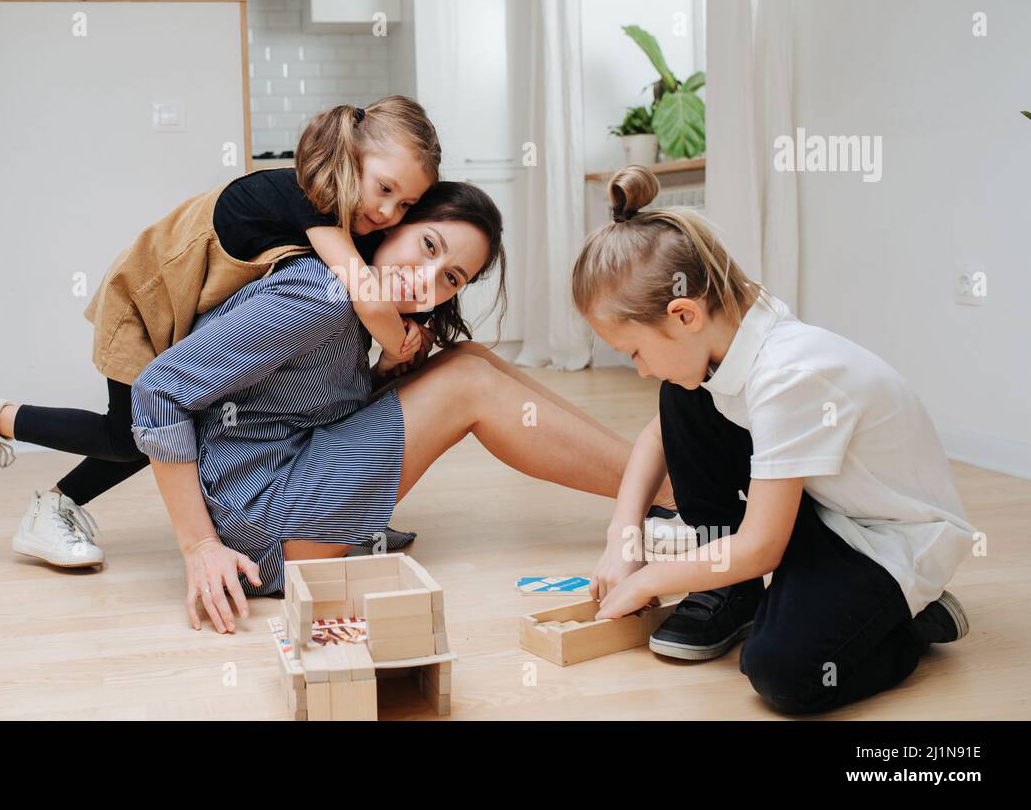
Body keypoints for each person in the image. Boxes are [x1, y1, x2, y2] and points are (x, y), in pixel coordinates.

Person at [129, 181, 675, 633]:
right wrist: (199, 545)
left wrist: (381, 377)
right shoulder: (323, 299)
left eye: (451, 278)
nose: (427, 281)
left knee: (468, 357)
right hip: (263, 524)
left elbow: (294, 406)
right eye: (429, 247)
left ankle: (659, 479)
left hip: (283, 479)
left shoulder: (355, 305)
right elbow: (158, 391)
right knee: (467, 382)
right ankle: (677, 488)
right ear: (393, 224)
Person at [0, 96, 441, 566]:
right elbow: (366, 295)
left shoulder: (340, 215)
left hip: (179, 304)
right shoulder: (315, 201)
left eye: (405, 205)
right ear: (350, 158)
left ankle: (52, 506)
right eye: (385, 189)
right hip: (146, 300)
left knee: (164, 426)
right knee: (135, 433)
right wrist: (400, 343)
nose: (388, 212)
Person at [576, 164, 975, 713]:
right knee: (681, 395)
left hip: (885, 542)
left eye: (635, 352)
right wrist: (622, 539)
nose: (639, 369)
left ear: (683, 313)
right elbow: (659, 436)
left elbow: (763, 546)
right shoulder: (727, 333)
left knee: (783, 672)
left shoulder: (789, 374)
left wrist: (651, 581)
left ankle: (910, 620)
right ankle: (734, 593)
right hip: (818, 509)